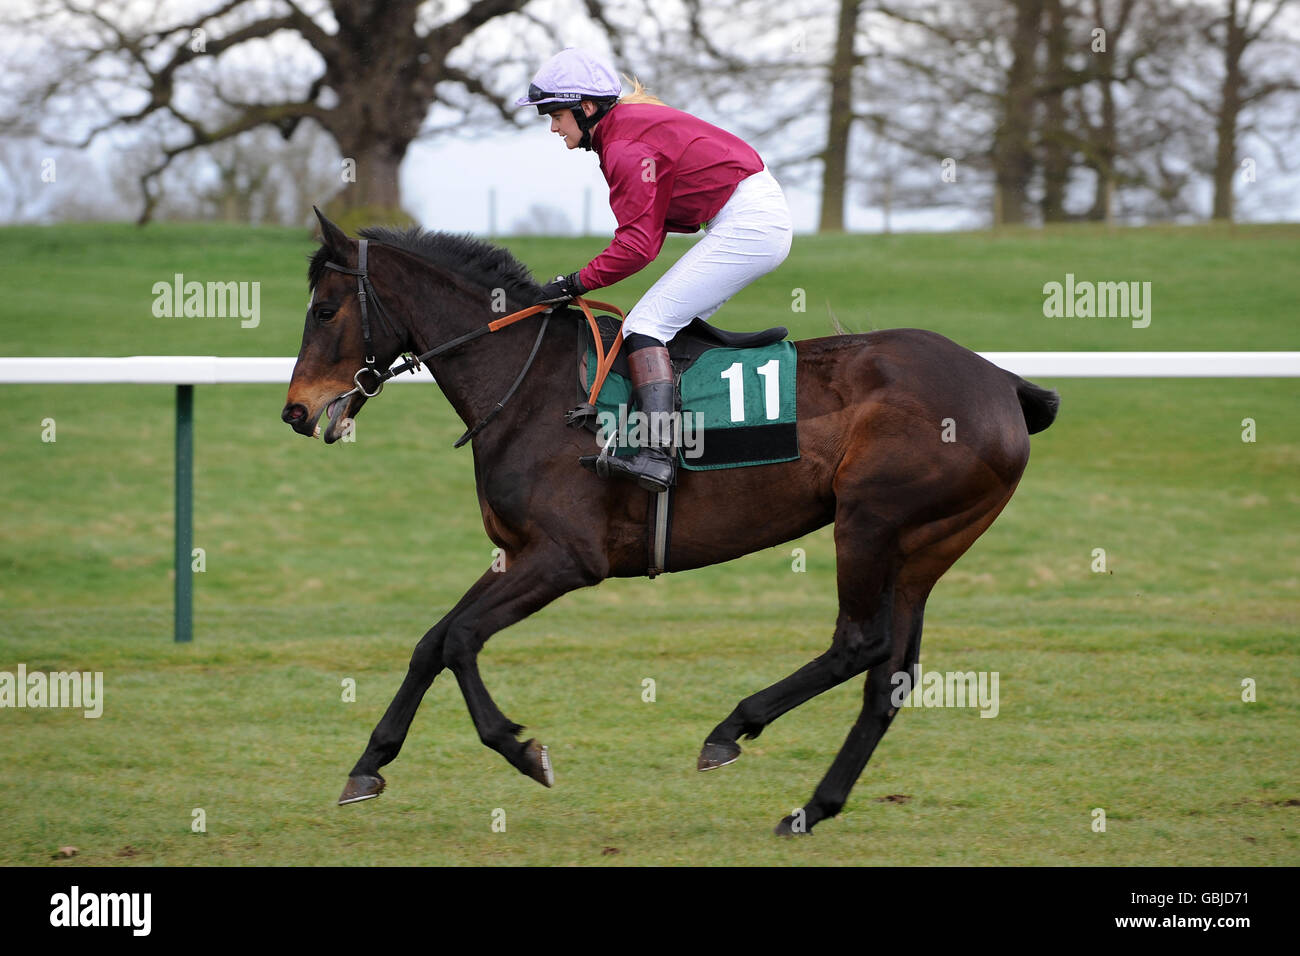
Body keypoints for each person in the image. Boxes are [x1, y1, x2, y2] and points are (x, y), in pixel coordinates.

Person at [517, 47, 793, 493]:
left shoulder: (624, 147)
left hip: (750, 223)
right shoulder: (624, 130)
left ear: (586, 108)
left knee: (645, 324)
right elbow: (649, 231)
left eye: (555, 114)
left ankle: (655, 456)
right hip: (750, 216)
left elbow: (639, 246)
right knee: (662, 321)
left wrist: (573, 283)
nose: (552, 127)